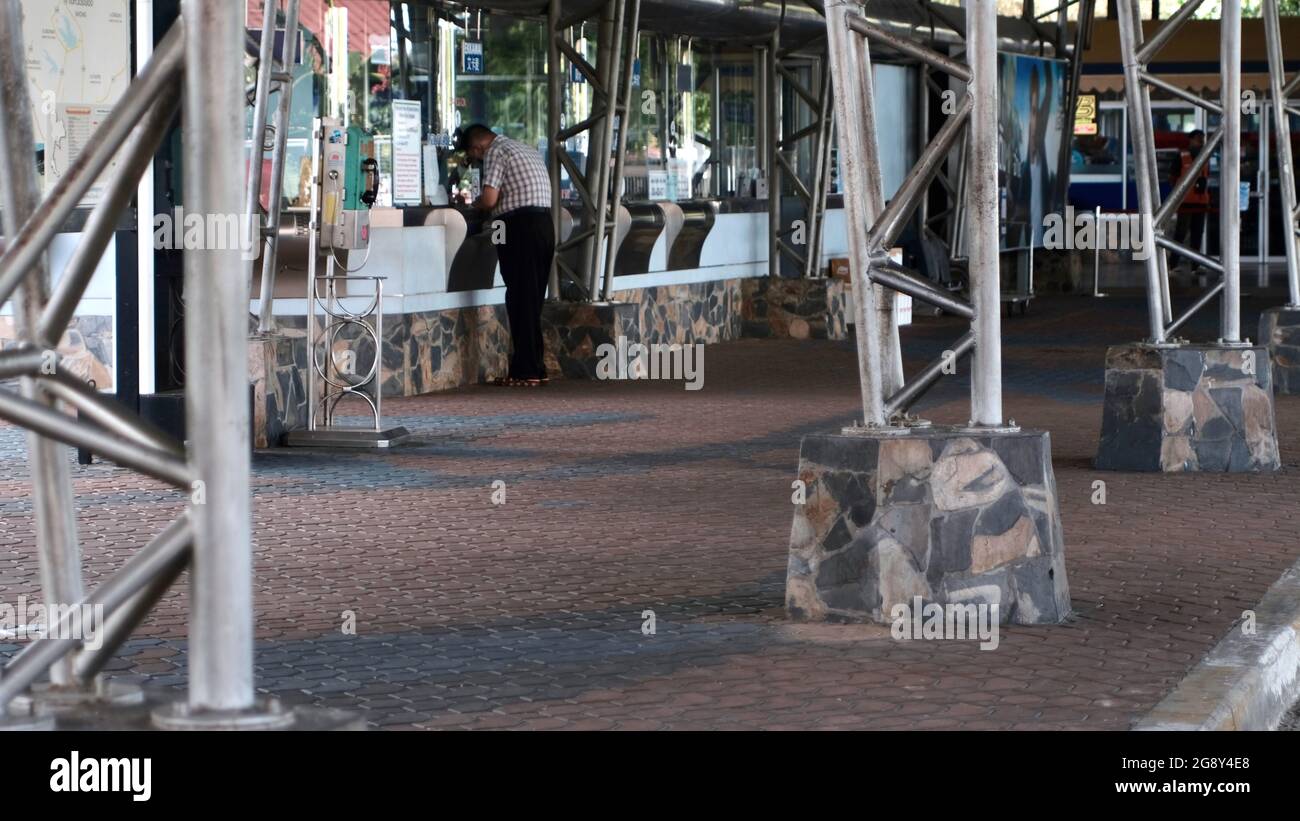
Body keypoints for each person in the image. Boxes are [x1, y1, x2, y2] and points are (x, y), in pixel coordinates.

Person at [456, 124, 555, 386]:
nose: (477, 160)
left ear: (477, 147)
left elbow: (489, 200)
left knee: (519, 297)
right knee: (532, 298)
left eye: (473, 155)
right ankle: (535, 367)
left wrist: (472, 203)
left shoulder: (495, 152)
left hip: (518, 226)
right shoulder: (523, 148)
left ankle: (526, 372)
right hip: (544, 224)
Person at [1172, 129, 1210, 278]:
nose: (1201, 141)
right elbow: (1173, 176)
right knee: (1180, 234)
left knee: (1197, 234)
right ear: (1191, 140)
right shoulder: (1182, 156)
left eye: (1203, 138)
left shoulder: (1205, 156)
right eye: (1198, 138)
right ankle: (1173, 264)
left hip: (1201, 202)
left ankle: (1195, 266)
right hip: (1185, 202)